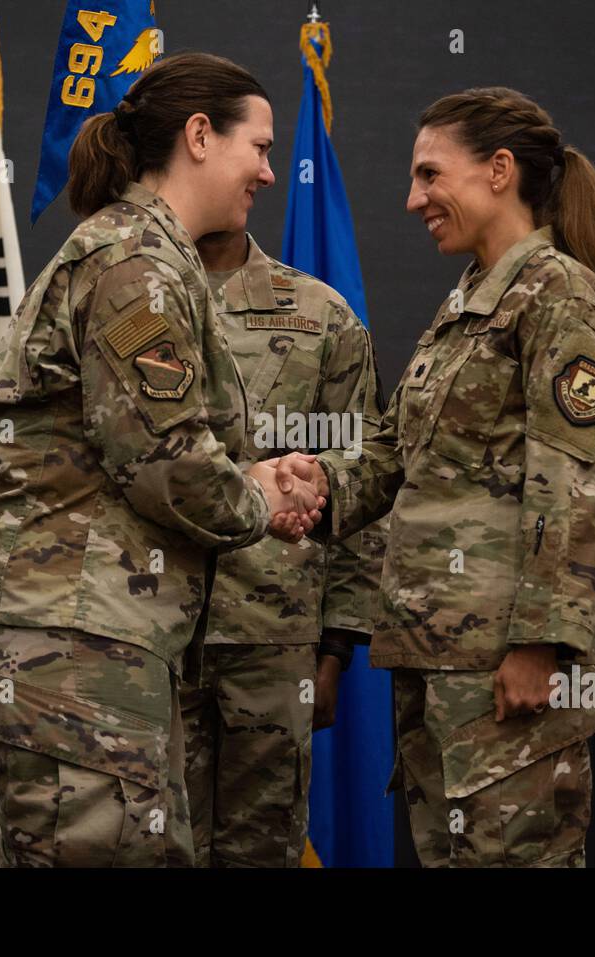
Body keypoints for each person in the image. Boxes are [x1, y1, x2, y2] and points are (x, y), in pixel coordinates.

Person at [0, 52, 324, 868]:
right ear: (198, 136)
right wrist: (258, 496)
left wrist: (252, 480)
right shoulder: (133, 264)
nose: (267, 169)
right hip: (67, 624)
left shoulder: (147, 255)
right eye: (257, 145)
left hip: (87, 622)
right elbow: (166, 460)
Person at [276, 87, 595, 867]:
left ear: (499, 170)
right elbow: (393, 457)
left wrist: (540, 646)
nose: (414, 199)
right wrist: (314, 482)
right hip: (437, 667)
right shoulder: (465, 307)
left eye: (430, 175)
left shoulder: (560, 297)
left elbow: (571, 483)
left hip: (507, 670)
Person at [181, 228, 385, 867]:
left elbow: (362, 490)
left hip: (272, 645)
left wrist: (335, 649)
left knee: (260, 854)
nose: (263, 170)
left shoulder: (320, 315)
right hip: (147, 636)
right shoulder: (129, 296)